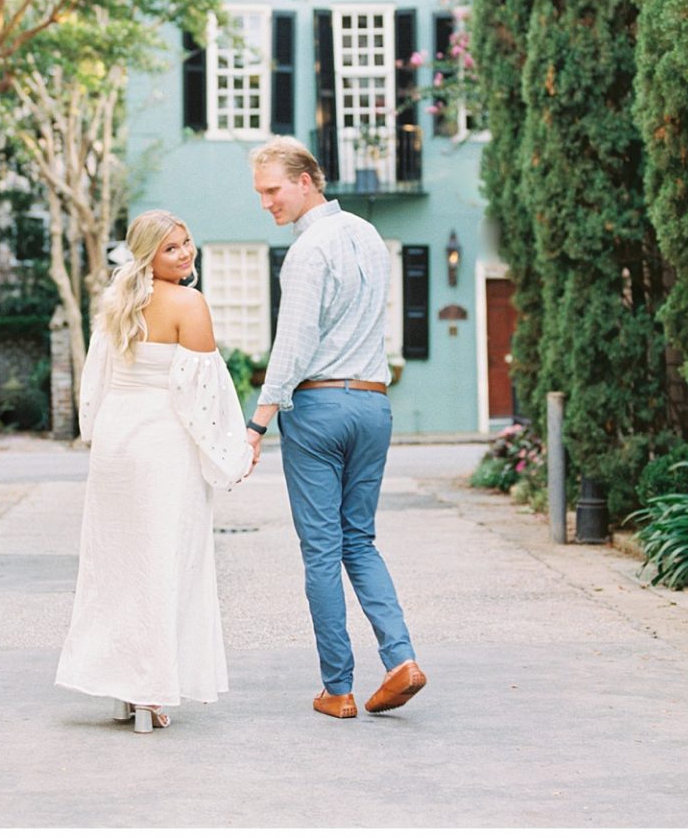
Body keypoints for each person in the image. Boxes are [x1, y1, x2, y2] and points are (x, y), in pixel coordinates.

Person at [244, 136, 426, 719]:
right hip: (373, 405)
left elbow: (293, 347)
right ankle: (401, 659)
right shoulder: (370, 238)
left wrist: (257, 424)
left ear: (305, 180)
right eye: (261, 193)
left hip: (319, 409)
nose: (267, 203)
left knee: (322, 550)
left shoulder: (306, 251)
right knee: (360, 540)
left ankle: (339, 688)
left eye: (272, 190)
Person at [55, 210, 252, 734]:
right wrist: (231, 453)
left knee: (118, 567)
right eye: (171, 248)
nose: (185, 254)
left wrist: (95, 430)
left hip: (118, 444)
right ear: (148, 256)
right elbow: (201, 396)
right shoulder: (190, 303)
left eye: (187, 243)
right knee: (164, 566)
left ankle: (124, 689)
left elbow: (96, 378)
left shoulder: (116, 302)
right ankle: (151, 691)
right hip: (164, 446)